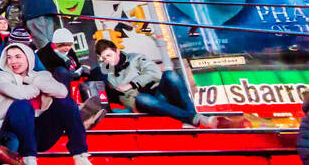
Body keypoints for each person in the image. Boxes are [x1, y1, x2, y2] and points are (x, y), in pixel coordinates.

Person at [0, 43, 107, 165]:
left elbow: (62, 92)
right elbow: (20, 94)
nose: (13, 61)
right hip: (13, 133)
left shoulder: (41, 75)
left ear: (28, 58)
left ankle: (81, 159)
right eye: (9, 57)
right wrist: (37, 87)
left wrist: (30, 79)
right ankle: (29, 163)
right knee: (22, 105)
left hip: (41, 132)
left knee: (66, 102)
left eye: (18, 57)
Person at [94, 40, 238, 129]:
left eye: (108, 55)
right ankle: (196, 118)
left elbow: (154, 72)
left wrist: (132, 83)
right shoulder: (108, 74)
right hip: (140, 103)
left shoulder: (135, 58)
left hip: (158, 93)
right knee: (142, 98)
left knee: (170, 74)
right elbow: (121, 94)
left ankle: (190, 119)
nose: (106, 60)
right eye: (102, 58)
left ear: (117, 51)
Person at [39, 28, 107, 130]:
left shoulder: (69, 52)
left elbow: (77, 66)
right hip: (58, 81)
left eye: (69, 45)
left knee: (100, 71)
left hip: (75, 79)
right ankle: (69, 108)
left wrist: (81, 70)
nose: (67, 48)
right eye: (64, 45)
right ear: (56, 44)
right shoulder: (44, 53)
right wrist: (69, 73)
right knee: (62, 71)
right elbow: (45, 73)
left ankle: (100, 103)